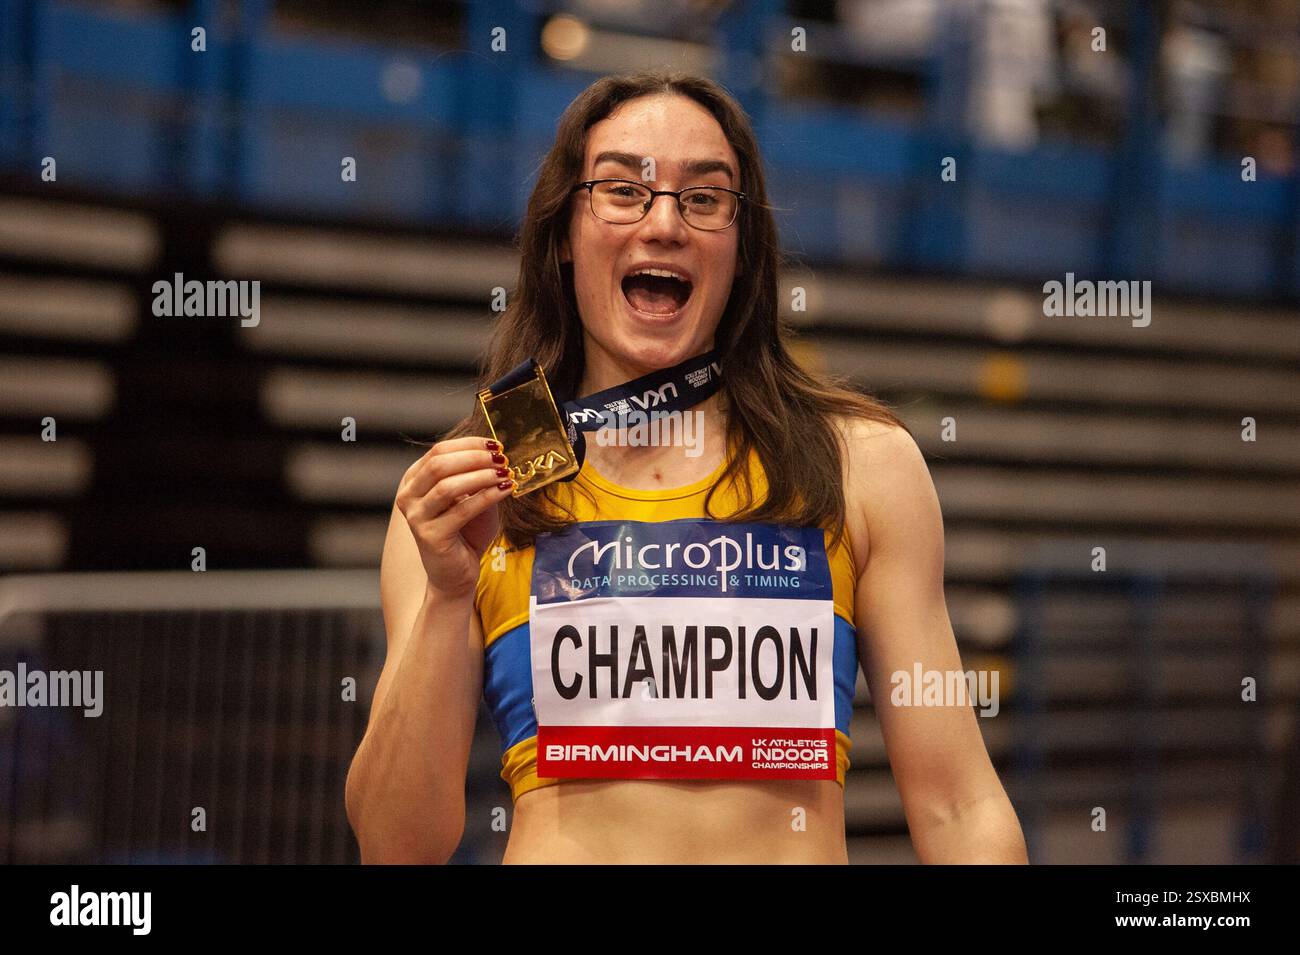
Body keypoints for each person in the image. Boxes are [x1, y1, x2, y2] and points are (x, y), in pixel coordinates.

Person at [345, 69, 1027, 864]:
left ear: (741, 249)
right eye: (624, 191)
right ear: (564, 232)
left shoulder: (859, 465)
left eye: (704, 198)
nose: (664, 222)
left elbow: (959, 805)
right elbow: (397, 845)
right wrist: (446, 595)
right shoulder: (475, 488)